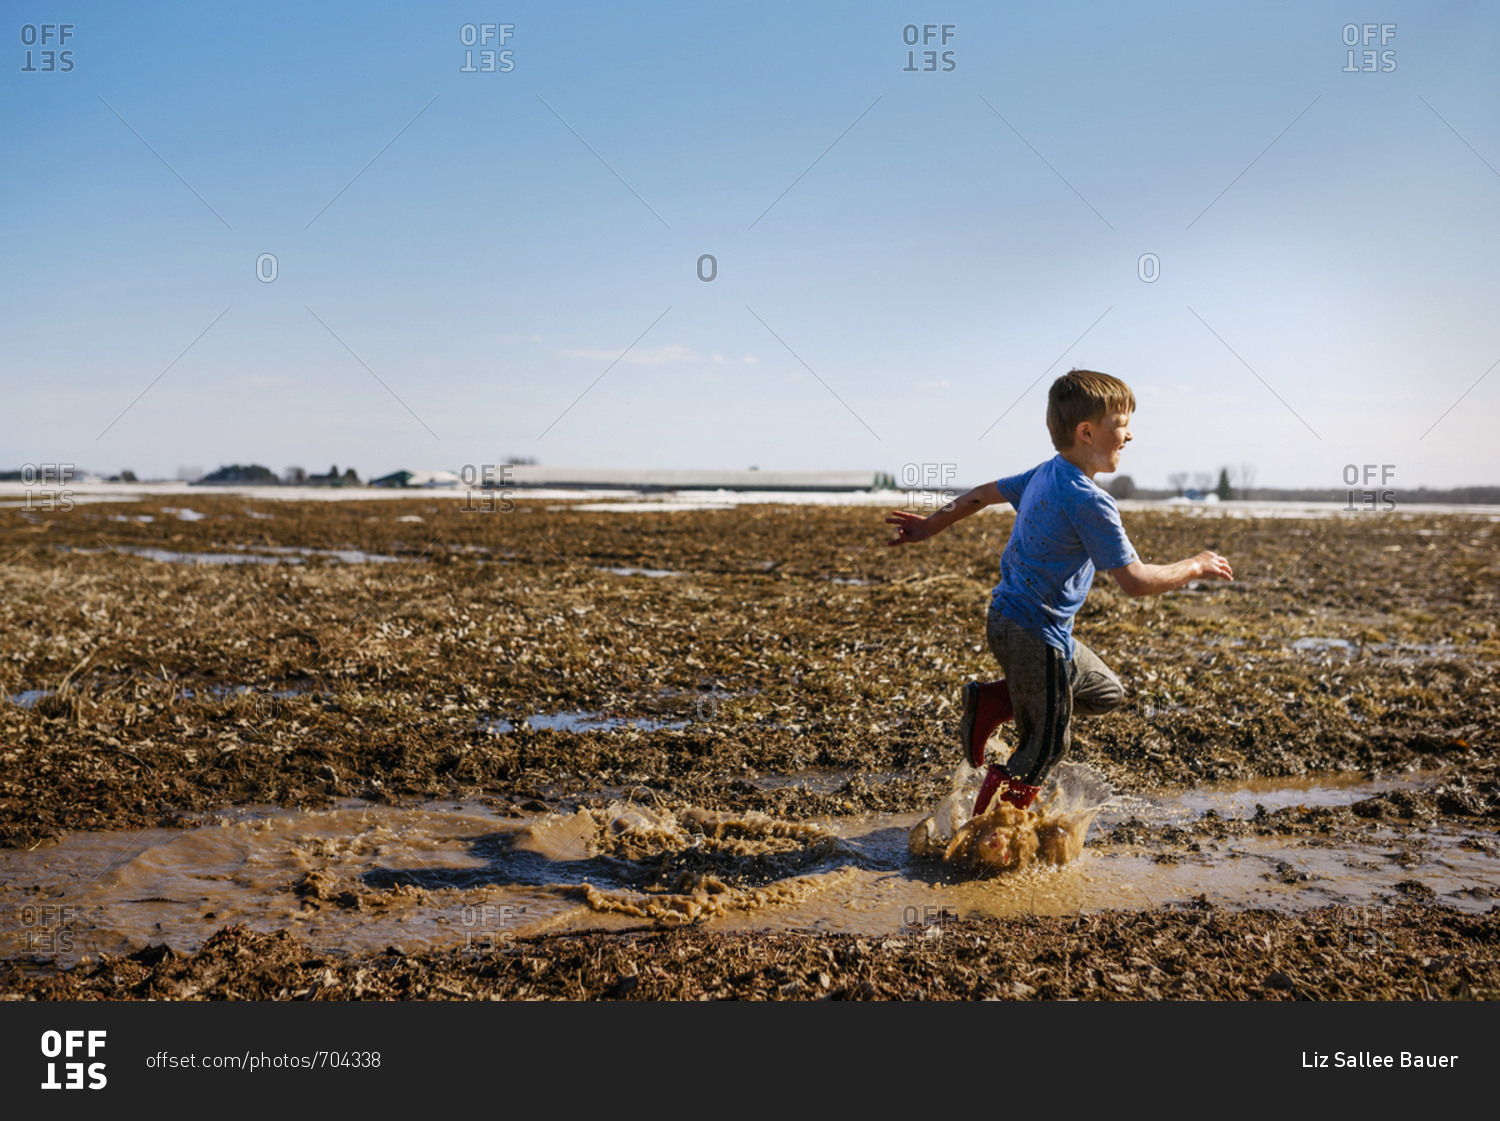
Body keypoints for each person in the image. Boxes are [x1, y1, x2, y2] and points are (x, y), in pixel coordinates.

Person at [885, 369, 1234, 816]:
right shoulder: (1090, 500)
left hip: (1008, 620)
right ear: (1087, 432)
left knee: (1104, 692)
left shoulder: (1045, 473)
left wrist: (928, 526)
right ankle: (989, 836)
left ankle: (995, 700)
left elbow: (979, 495)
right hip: (1036, 634)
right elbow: (1135, 582)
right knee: (1047, 743)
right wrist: (1195, 566)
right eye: (1121, 425)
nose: (1129, 436)